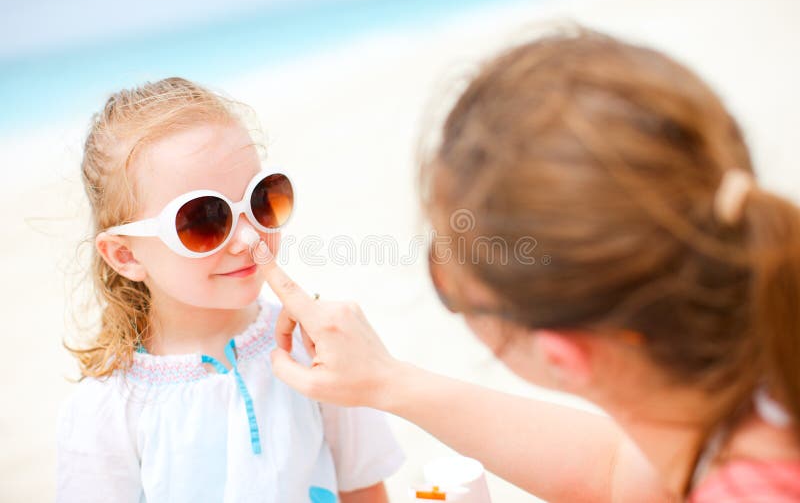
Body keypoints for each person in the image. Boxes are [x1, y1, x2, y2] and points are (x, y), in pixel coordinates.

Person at [257, 30, 800, 502]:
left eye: (449, 275)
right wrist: (385, 380)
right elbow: (616, 473)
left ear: (566, 357)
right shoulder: (753, 373)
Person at [56, 78, 403, 503]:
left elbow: (363, 487)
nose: (247, 238)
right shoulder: (106, 411)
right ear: (125, 256)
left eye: (261, 200)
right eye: (203, 219)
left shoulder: (317, 346)